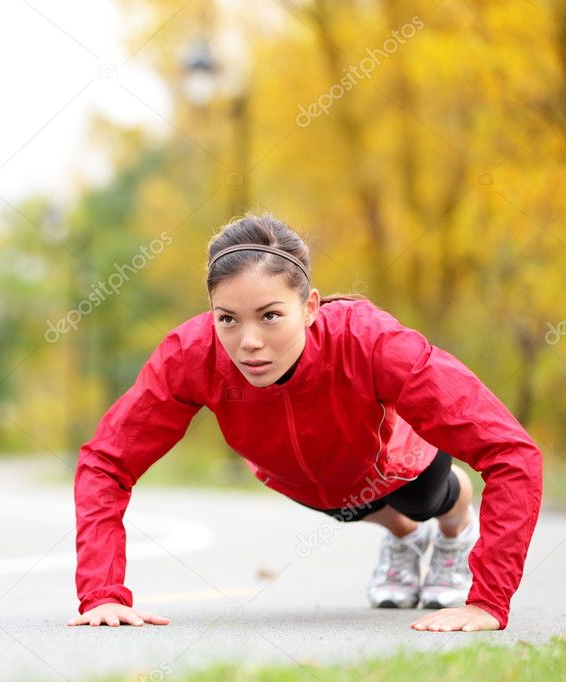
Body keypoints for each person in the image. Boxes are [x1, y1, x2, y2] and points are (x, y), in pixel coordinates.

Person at [66, 213, 543, 632]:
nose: (248, 341)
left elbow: (511, 453)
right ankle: (403, 540)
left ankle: (454, 532)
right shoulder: (190, 355)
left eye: (270, 316)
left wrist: (488, 601)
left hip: (398, 464)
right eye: (227, 319)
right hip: (303, 477)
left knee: (423, 502)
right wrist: (101, 594)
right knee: (341, 502)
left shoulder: (371, 341)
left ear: (310, 307)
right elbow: (107, 461)